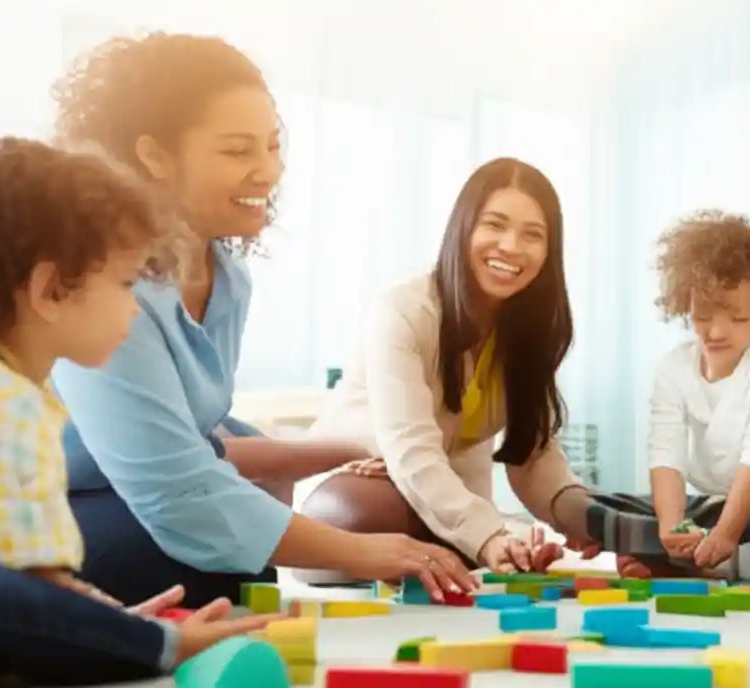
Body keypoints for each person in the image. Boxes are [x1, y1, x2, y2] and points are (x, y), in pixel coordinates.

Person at [49, 33, 474, 607]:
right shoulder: (101, 286)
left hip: (125, 495)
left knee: (240, 565)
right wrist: (373, 552)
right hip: (48, 505)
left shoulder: (227, 276)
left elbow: (204, 438)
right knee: (189, 562)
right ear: (153, 156)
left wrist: (346, 453)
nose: (268, 171)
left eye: (273, 147)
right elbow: (175, 486)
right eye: (237, 151)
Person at [0, 138, 276, 688]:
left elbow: (39, 588)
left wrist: (105, 621)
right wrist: (157, 642)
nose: (136, 306)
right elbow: (23, 596)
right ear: (50, 289)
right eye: (127, 283)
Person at [304, 157, 600, 575]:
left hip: (444, 497)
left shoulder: (528, 331)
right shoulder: (404, 309)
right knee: (368, 515)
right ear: (463, 226)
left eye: (532, 235)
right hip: (358, 484)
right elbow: (411, 449)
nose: (511, 247)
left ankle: (479, 546)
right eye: (494, 224)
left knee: (478, 532)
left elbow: (532, 455)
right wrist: (489, 536)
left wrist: (585, 515)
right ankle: (469, 544)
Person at [602, 210, 750, 581]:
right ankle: (692, 557)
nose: (717, 332)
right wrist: (673, 528)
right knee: (599, 507)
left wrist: (726, 535)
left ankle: (684, 561)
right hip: (711, 508)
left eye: (737, 320)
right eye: (703, 316)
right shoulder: (674, 366)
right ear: (685, 305)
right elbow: (665, 453)